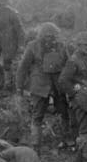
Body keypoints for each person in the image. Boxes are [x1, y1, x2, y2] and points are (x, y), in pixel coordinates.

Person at [15, 22, 71, 150]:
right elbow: (22, 68)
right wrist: (19, 89)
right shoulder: (33, 46)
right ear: (41, 36)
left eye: (52, 36)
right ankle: (35, 146)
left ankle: (66, 140)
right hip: (39, 85)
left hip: (58, 85)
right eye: (46, 36)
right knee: (37, 115)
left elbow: (68, 66)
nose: (49, 38)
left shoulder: (61, 46)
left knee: (64, 112)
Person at [58, 31, 87, 162]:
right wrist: (74, 93)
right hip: (81, 99)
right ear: (78, 45)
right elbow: (63, 80)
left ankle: (80, 157)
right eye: (85, 45)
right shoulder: (73, 60)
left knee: (85, 127)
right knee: (85, 128)